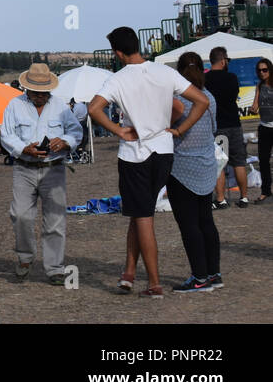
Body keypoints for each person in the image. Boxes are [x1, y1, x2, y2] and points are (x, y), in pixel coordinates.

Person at [88, 27, 210, 299]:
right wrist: (178, 129)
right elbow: (200, 101)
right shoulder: (164, 71)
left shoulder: (118, 79)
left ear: (118, 52)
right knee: (139, 210)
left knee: (143, 217)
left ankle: (154, 283)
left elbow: (93, 108)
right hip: (164, 151)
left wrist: (117, 130)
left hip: (135, 153)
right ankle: (129, 271)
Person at [0, 63, 83, 284]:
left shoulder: (61, 107)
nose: (40, 97)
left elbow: (76, 131)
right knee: (20, 215)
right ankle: (25, 257)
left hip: (53, 168)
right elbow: (6, 135)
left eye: (44, 93)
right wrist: (23, 148)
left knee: (55, 220)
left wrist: (65, 141)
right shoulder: (14, 106)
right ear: (27, 89)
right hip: (24, 168)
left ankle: (54, 268)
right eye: (36, 93)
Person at [165, 53, 221, 292]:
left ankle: (199, 277)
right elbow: (214, 129)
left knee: (189, 225)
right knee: (206, 221)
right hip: (207, 166)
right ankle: (214, 273)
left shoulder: (177, 100)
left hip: (181, 168)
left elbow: (164, 127)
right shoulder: (209, 97)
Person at [206, 46, 249, 209]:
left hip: (218, 126)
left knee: (219, 164)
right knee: (239, 162)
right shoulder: (232, 77)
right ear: (223, 60)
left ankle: (221, 199)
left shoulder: (207, 79)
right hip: (234, 124)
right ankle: (244, 197)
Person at [255, 58, 273, 204]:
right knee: (263, 160)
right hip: (264, 126)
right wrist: (253, 108)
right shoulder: (259, 86)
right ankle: (265, 190)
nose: (262, 73)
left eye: (264, 70)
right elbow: (255, 105)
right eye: (259, 70)